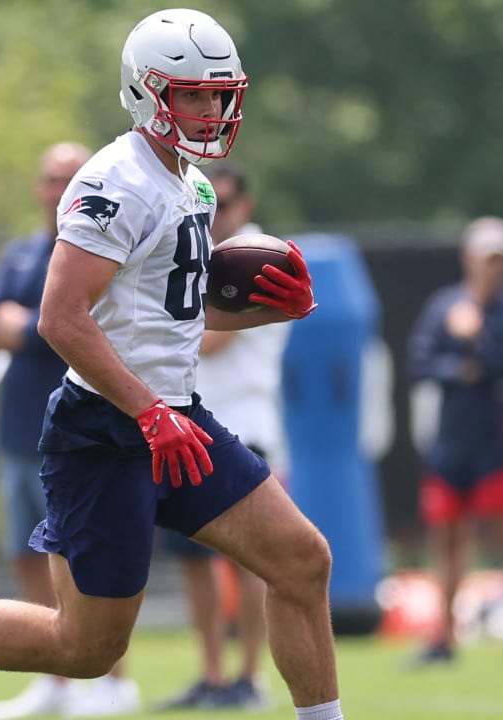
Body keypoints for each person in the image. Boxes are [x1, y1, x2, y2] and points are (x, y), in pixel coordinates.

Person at [0, 10, 343, 720]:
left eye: (219, 92)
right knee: (86, 647)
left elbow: (175, 315)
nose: (212, 108)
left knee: (301, 561)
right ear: (145, 93)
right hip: (107, 430)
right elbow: (59, 317)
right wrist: (147, 411)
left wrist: (268, 311)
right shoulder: (117, 181)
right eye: (192, 93)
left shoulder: (192, 186)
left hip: (174, 417)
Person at [0, 141, 140, 719]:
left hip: (79, 433)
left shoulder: (103, 245)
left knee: (83, 555)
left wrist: (31, 327)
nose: (58, 189)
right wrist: (33, 328)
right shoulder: (20, 255)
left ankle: (113, 678)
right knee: (27, 553)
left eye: (70, 178)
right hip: (20, 432)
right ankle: (55, 679)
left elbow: (82, 325)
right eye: (50, 178)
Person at [153, 162, 286, 711]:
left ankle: (250, 677)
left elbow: (207, 342)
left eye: (225, 203)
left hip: (244, 424)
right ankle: (212, 673)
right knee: (192, 559)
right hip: (192, 423)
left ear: (245, 207)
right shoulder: (200, 258)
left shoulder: (254, 256)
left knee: (250, 561)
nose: (216, 214)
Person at [405, 217, 503, 666]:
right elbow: (420, 361)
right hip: (450, 438)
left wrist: (473, 334)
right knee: (446, 540)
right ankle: (442, 637)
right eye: (487, 259)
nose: (494, 269)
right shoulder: (445, 304)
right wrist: (459, 368)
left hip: (496, 439)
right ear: (469, 259)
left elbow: (502, 361)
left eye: (501, 260)